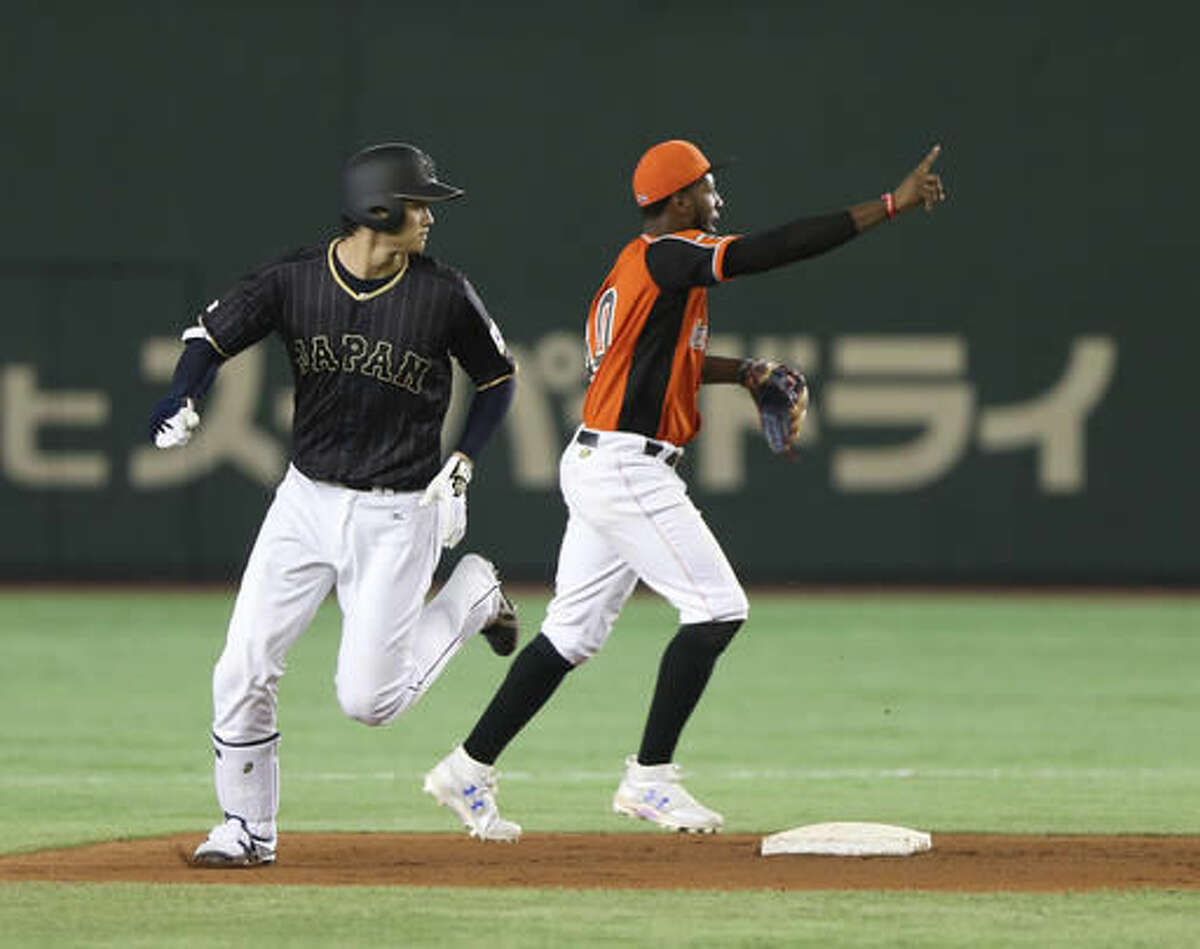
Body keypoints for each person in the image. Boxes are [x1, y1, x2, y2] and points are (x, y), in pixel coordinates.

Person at [423, 138, 947, 841]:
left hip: (603, 460)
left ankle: (466, 765)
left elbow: (668, 361)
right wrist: (889, 205)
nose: (716, 199)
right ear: (675, 201)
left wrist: (749, 373)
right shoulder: (671, 255)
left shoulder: (635, 270)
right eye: (705, 188)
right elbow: (771, 248)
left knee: (570, 634)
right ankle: (650, 778)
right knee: (717, 608)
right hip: (624, 468)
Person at [149, 142, 520, 866]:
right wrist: (181, 393)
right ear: (379, 209)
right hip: (306, 500)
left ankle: (474, 592)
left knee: (368, 700)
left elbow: (498, 379)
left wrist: (464, 460)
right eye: (420, 203)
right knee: (242, 667)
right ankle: (248, 830)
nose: (429, 217)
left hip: (398, 512)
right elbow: (209, 336)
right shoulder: (295, 280)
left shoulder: (443, 294)